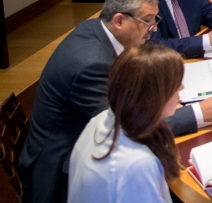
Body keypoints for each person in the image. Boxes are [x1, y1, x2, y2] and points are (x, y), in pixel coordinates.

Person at [20, 0, 212, 203]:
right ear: (119, 20)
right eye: (147, 21)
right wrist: (196, 113)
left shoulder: (96, 29)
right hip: (64, 172)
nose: (155, 28)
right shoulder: (91, 66)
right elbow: (128, 124)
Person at [68, 44, 184, 203]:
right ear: (154, 96)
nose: (182, 87)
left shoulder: (99, 120)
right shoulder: (138, 165)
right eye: (175, 83)